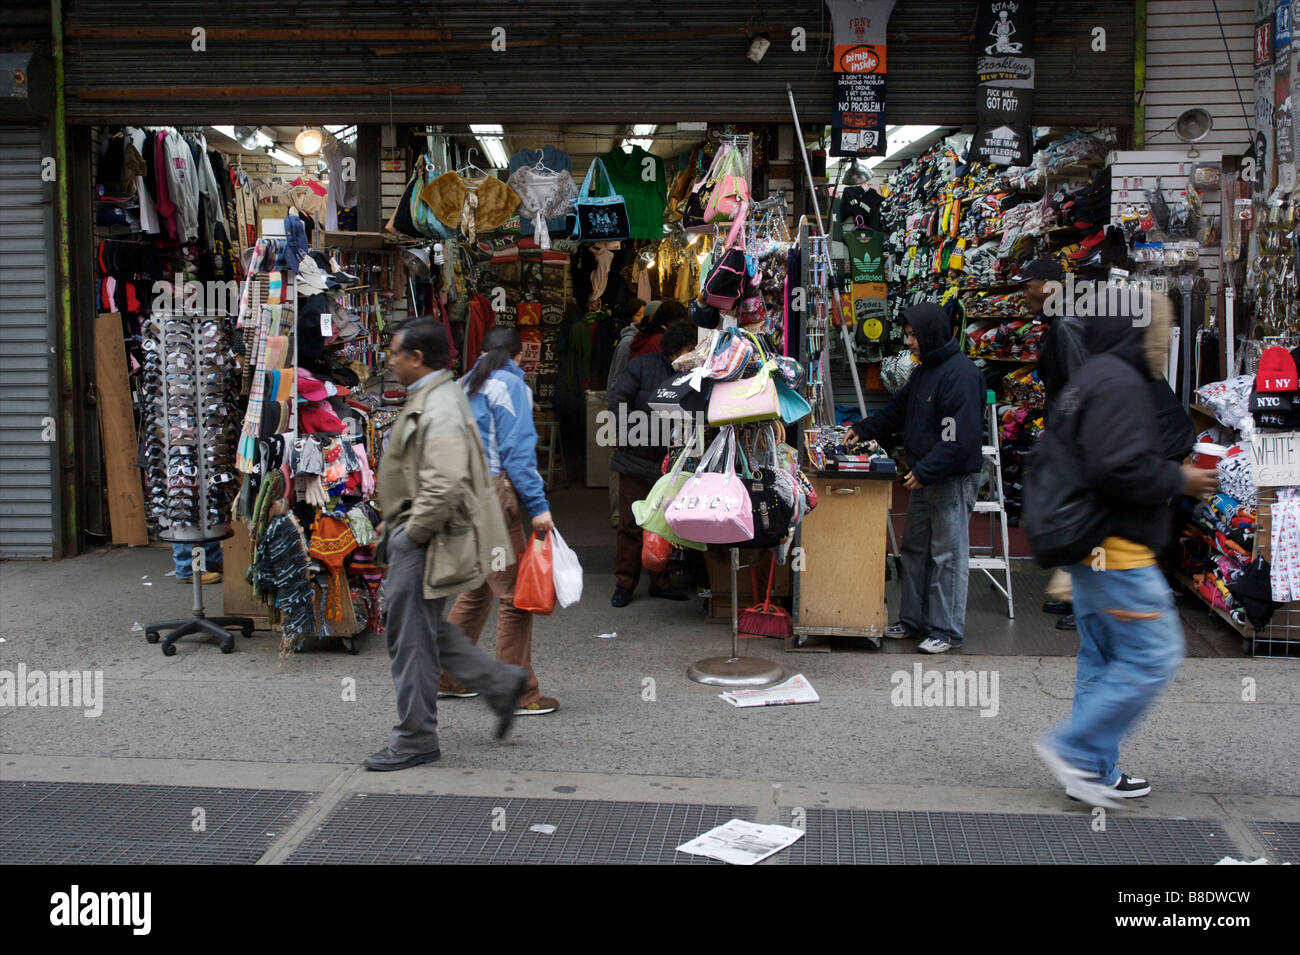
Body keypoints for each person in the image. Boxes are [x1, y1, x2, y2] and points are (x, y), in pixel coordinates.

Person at [1031, 293, 1218, 806]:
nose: (1165, 340)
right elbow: (1119, 467)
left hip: (1094, 552)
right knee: (1154, 656)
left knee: (1103, 657)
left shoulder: (1092, 377)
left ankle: (1092, 770)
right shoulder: (1120, 384)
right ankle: (1074, 747)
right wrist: (1180, 477)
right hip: (1119, 552)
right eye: (1160, 330)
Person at [365, 317, 528, 772]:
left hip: (425, 543)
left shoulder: (439, 407)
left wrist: (407, 535)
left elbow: (443, 485)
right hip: (419, 536)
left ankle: (415, 737)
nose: (390, 360)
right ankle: (499, 682)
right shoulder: (433, 397)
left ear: (417, 358)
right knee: (425, 630)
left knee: (412, 641)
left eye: (396, 353)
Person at [849, 302, 984, 653]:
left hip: (949, 479)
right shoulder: (925, 372)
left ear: (930, 334)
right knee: (915, 551)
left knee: (947, 556)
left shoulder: (962, 375)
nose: (908, 342)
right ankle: (913, 621)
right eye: (907, 335)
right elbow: (897, 411)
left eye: (912, 336)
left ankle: (946, 630)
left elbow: (959, 437)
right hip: (925, 475)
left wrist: (925, 470)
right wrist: (862, 429)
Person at [439, 327, 560, 717]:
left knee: (477, 588)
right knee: (514, 597)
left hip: (460, 493)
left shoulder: (463, 383)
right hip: (490, 498)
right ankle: (518, 691)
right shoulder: (510, 386)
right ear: (519, 354)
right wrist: (538, 506)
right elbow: (518, 453)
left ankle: (447, 675)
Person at [607, 319, 698, 608]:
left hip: (671, 463)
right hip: (635, 459)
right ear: (673, 350)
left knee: (664, 524)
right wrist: (633, 434)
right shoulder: (642, 366)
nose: (691, 355)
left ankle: (661, 581)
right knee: (631, 524)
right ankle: (625, 583)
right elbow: (617, 399)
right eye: (688, 349)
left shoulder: (694, 375)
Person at [1018, 258, 1088, 631]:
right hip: (1074, 433)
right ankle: (1077, 595)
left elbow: (1081, 386)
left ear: (1049, 285)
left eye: (1028, 284)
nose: (1023, 292)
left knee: (1086, 517)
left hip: (1083, 437)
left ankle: (1088, 603)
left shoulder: (1069, 322)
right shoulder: (1064, 318)